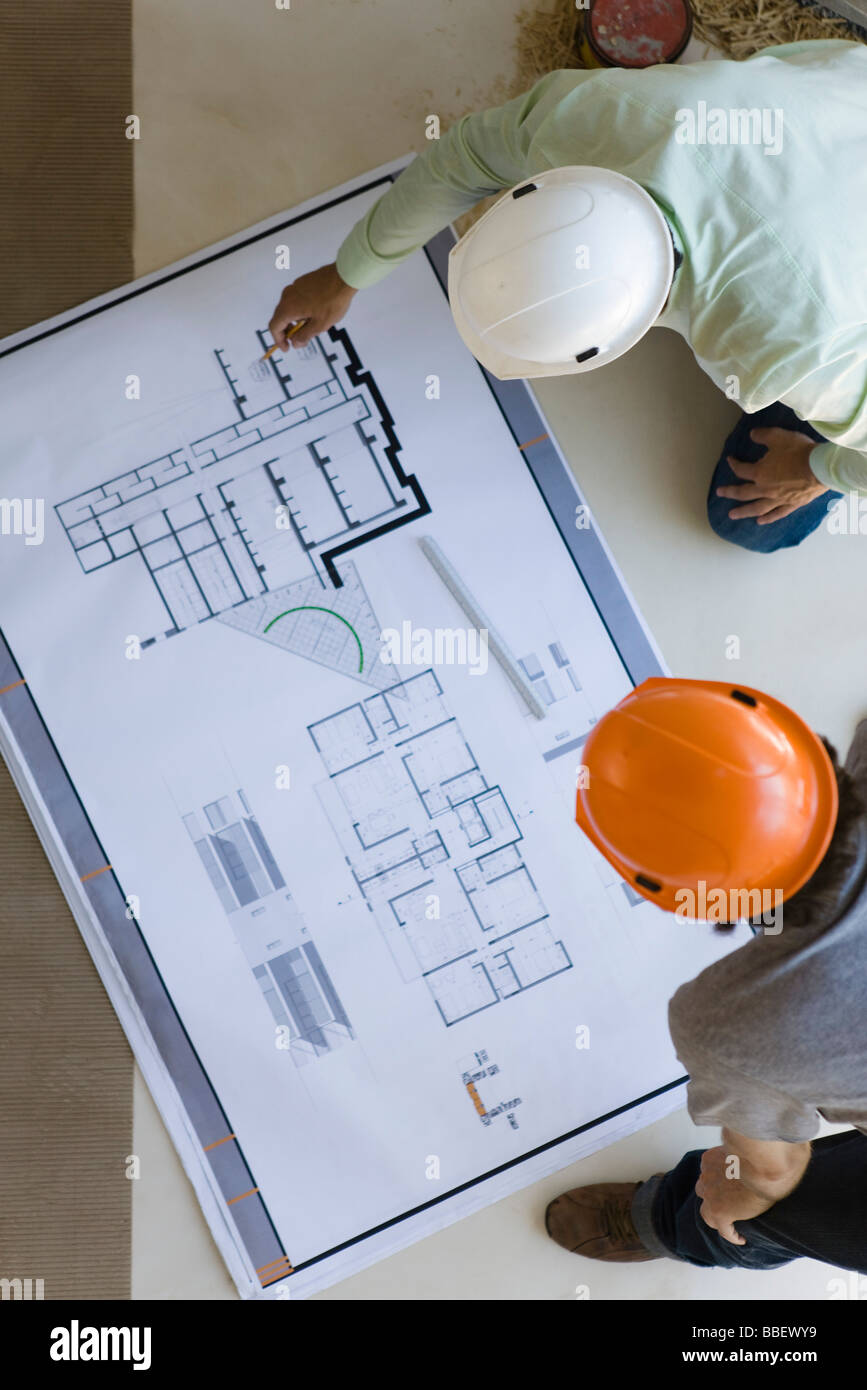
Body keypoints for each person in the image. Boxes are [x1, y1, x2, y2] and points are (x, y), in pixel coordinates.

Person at [269, 40, 867, 552]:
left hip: (835, 281)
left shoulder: (791, 354)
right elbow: (463, 161)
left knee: (744, 526)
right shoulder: (590, 118)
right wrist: (347, 273)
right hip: (840, 103)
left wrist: (818, 468)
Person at [546, 677, 867, 1274]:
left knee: (750, 1206)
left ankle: (674, 1219)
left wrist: (741, 1186)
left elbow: (775, 1170)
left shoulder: (733, 1022)